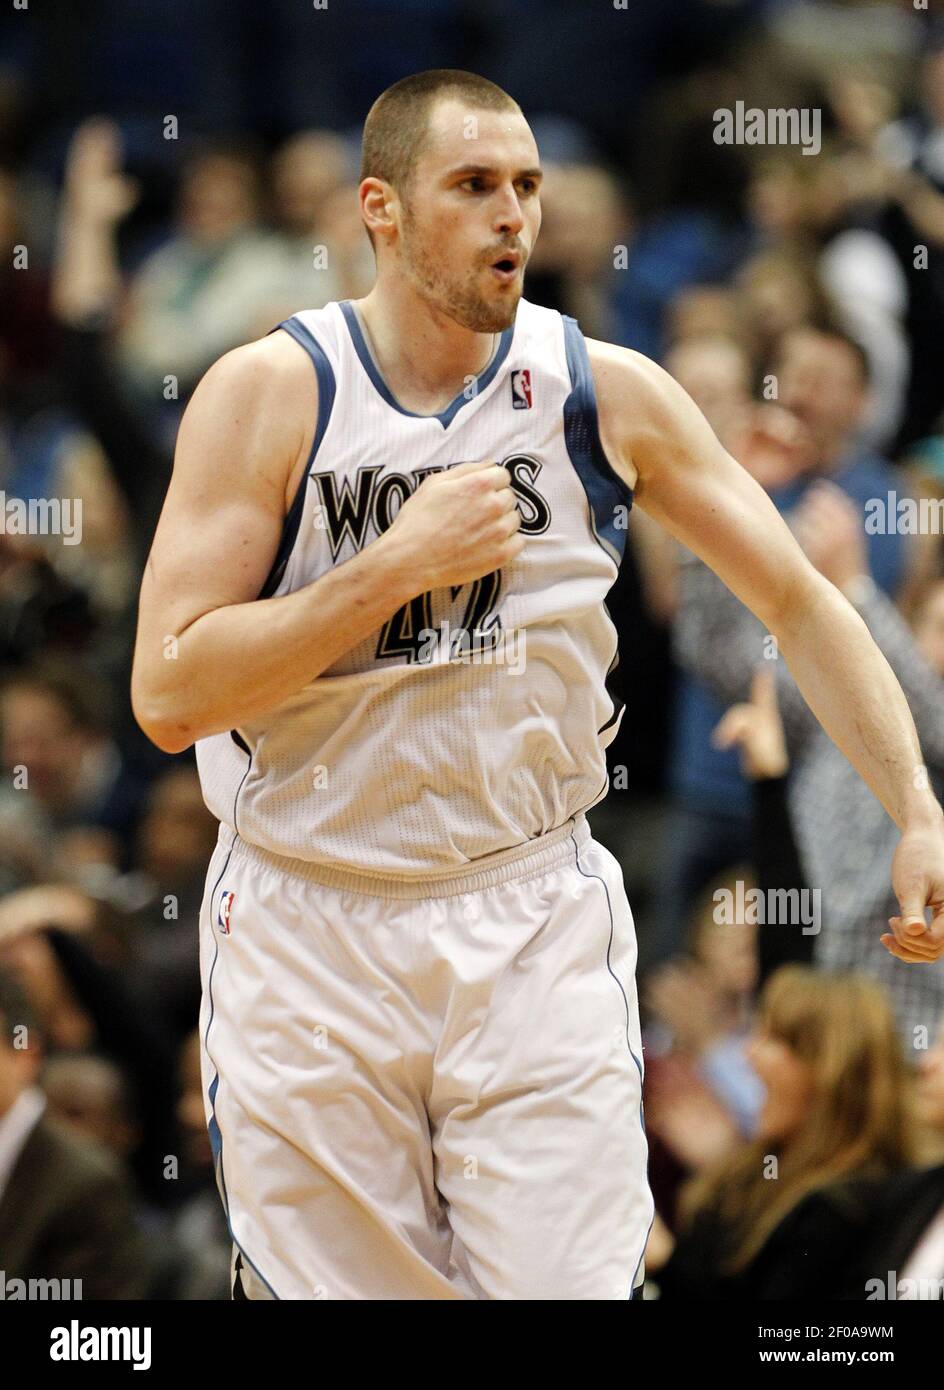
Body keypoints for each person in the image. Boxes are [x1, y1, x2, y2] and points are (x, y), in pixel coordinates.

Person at [131, 69, 944, 1302]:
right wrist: (393, 566)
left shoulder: (601, 392)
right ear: (380, 210)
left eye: (525, 187)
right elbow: (170, 690)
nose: (512, 214)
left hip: (525, 913)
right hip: (307, 921)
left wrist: (917, 805)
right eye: (472, 186)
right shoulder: (271, 395)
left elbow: (797, 601)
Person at [648, 966, 916, 1300]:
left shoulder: (848, 1208)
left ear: (832, 1072)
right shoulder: (760, 1166)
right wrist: (719, 1162)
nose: (750, 1053)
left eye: (776, 1040)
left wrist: (661, 1256)